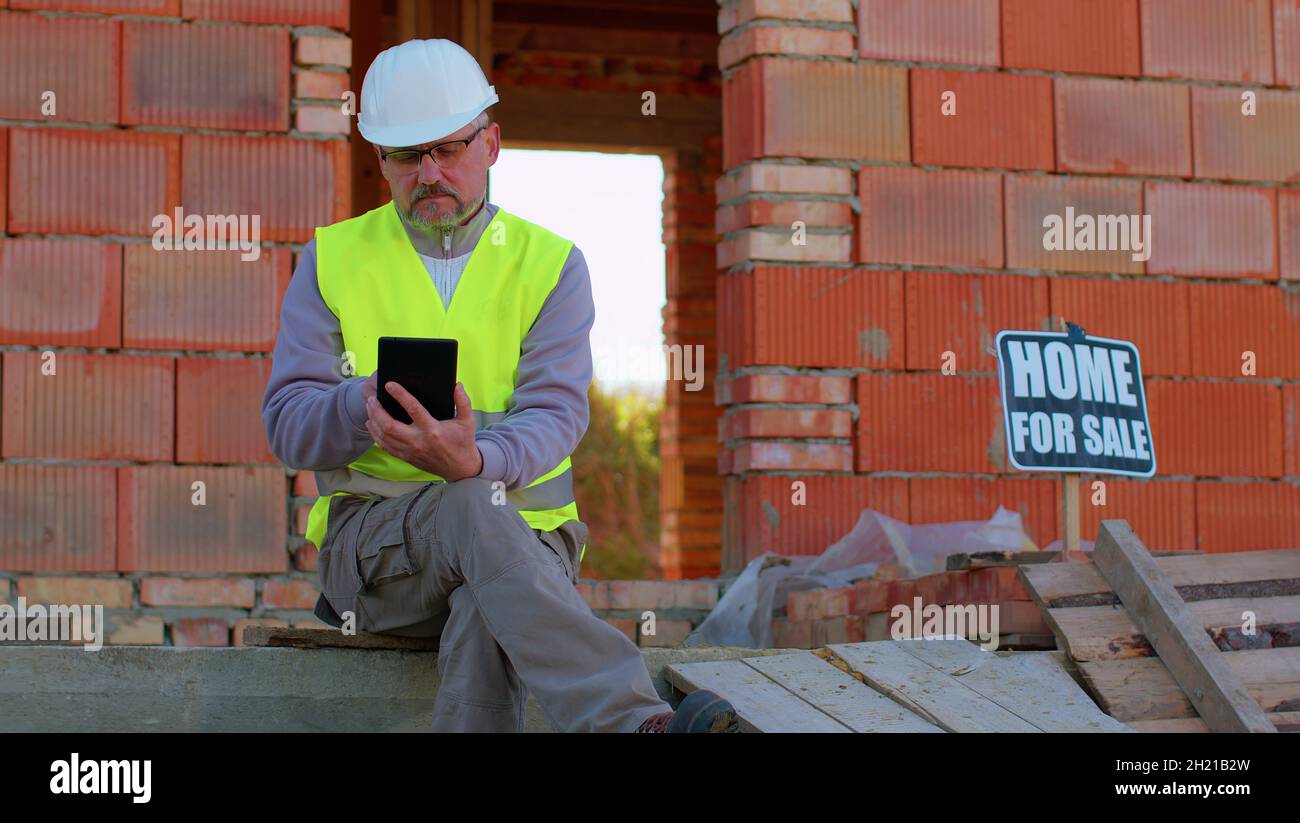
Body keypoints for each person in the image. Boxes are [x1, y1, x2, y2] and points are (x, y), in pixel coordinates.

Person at [261, 38, 735, 734]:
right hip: (378, 561)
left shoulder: (550, 267)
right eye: (405, 155)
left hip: (526, 548)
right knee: (472, 512)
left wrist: (476, 460)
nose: (428, 172)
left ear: (492, 143)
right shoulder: (332, 259)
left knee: (485, 596)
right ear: (380, 160)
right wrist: (364, 402)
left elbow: (555, 412)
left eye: (448, 149)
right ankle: (638, 724)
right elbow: (286, 425)